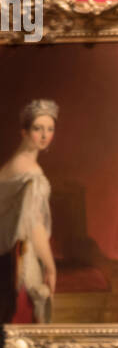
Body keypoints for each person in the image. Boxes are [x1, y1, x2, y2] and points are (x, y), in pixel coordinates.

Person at [0, 99, 58, 324]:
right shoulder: (30, 172)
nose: (44, 135)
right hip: (12, 258)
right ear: (24, 132)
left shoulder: (16, 163)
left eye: (49, 129)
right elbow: (35, 226)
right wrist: (51, 268)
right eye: (37, 128)